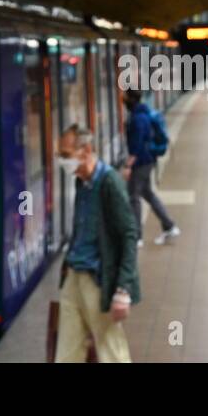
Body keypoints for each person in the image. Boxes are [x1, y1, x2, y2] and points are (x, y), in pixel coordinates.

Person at [54, 124, 140, 362]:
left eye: (65, 155)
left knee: (111, 352)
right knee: (67, 353)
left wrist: (123, 289)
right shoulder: (80, 182)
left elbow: (129, 233)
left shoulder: (109, 182)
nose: (62, 161)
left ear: (86, 150)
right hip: (73, 277)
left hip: (98, 279)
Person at [123, 90, 181, 246]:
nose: (124, 100)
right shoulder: (142, 113)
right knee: (147, 194)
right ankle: (169, 225)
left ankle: (137, 236)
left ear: (131, 99)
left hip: (141, 162)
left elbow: (137, 144)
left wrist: (129, 165)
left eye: (125, 97)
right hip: (147, 160)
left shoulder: (138, 118)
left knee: (134, 197)